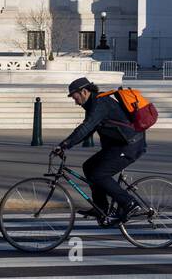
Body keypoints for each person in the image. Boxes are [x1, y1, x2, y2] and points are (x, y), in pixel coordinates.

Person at [53, 77, 145, 223]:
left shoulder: (100, 103)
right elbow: (88, 130)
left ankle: (129, 203)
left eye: (75, 97)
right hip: (117, 145)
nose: (75, 102)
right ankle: (101, 207)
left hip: (129, 145)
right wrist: (67, 144)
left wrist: (65, 144)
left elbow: (87, 127)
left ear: (84, 91)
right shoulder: (93, 104)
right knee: (88, 167)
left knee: (99, 175)